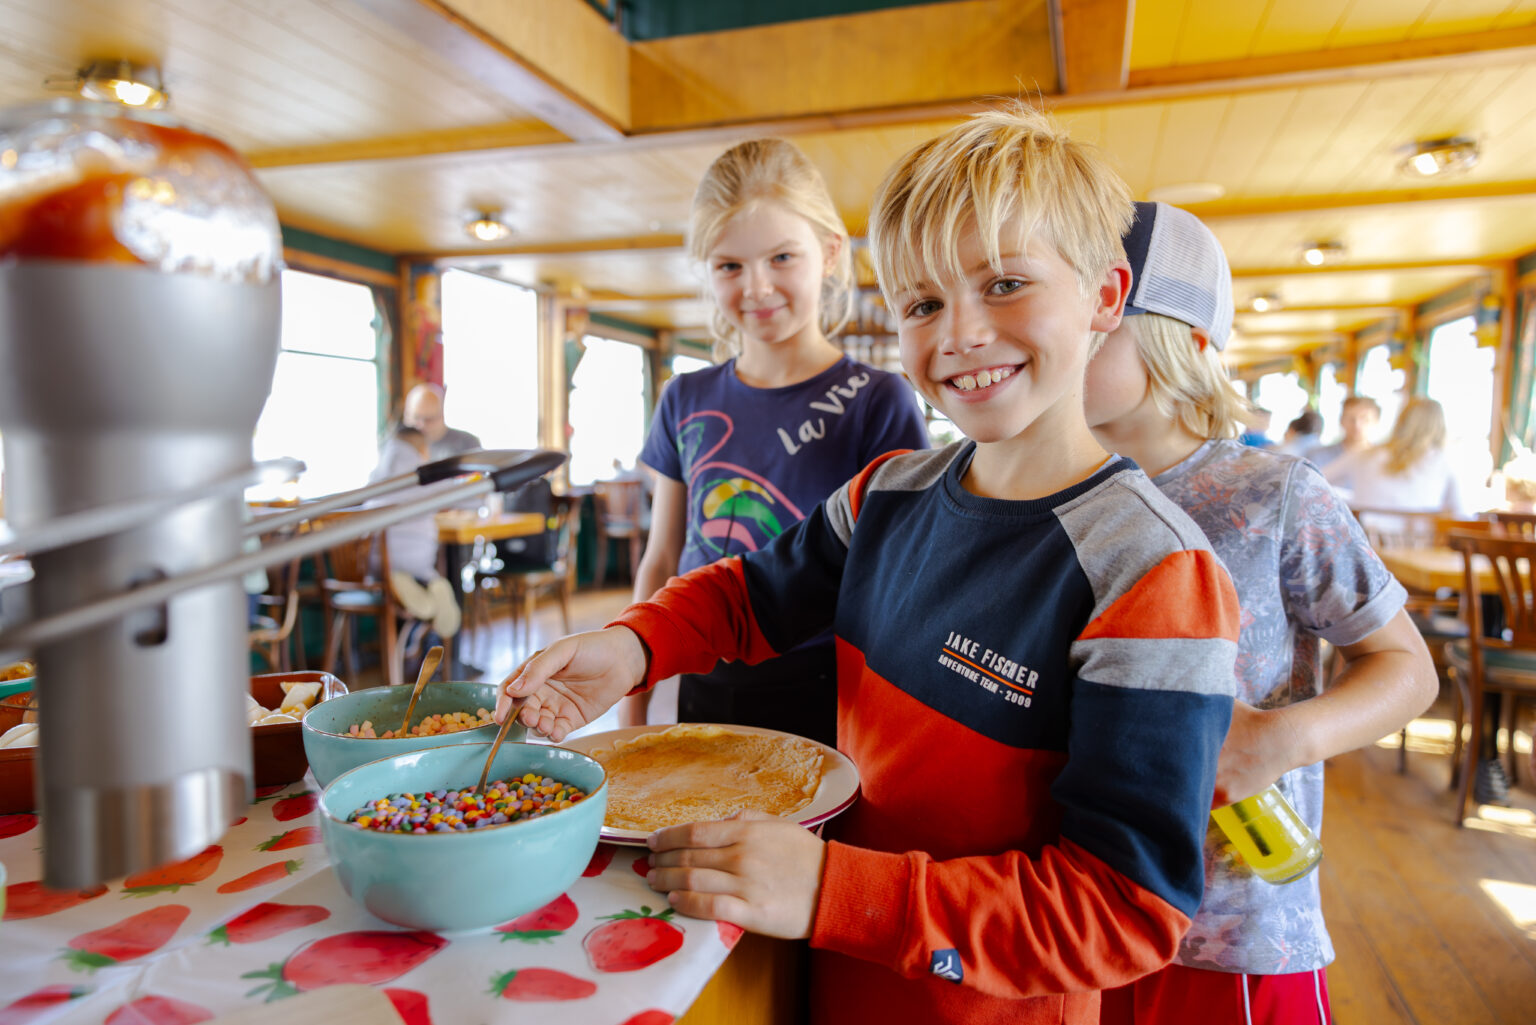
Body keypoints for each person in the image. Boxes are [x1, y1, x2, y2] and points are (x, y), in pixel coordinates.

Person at [497, 105, 1241, 1025]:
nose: (961, 332)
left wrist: (839, 891)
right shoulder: (886, 492)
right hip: (832, 968)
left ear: (1104, 295)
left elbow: (1124, 910)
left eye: (1005, 283)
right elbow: (747, 594)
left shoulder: (1151, 571)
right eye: (924, 303)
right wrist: (632, 648)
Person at [1082, 201, 1438, 1025]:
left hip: (1230, 925)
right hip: (1080, 902)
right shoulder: (1052, 494)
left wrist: (1282, 739)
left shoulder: (1277, 496)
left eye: (1102, 321)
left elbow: (1408, 667)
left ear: (1188, 344)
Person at [622, 137, 930, 745]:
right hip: (702, 669)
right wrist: (633, 701)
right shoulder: (684, 398)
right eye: (729, 266)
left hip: (825, 680)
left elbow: (901, 576)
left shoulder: (877, 401)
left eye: (782, 257)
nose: (757, 288)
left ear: (832, 253)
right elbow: (661, 559)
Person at [368, 425, 461, 641]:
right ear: (420, 447)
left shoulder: (378, 472)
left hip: (375, 562)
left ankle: (403, 581)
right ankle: (433, 585)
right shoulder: (421, 472)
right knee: (432, 572)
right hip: (414, 559)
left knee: (396, 566)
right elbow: (459, 496)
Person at [1322, 396, 1472, 516]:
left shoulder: (1362, 456)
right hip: (1419, 549)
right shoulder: (1445, 461)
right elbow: (1462, 515)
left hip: (1364, 549)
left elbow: (1313, 481)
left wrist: (1351, 499)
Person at [402, 382, 481, 460]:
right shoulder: (397, 447)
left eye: (429, 419)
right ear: (406, 415)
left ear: (442, 416)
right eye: (416, 417)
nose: (421, 425)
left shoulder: (467, 445)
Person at [1307, 394, 1380, 469]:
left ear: (1376, 421)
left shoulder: (1383, 460)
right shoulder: (1317, 457)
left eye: (1365, 419)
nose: (1357, 425)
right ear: (1341, 420)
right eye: (1351, 419)